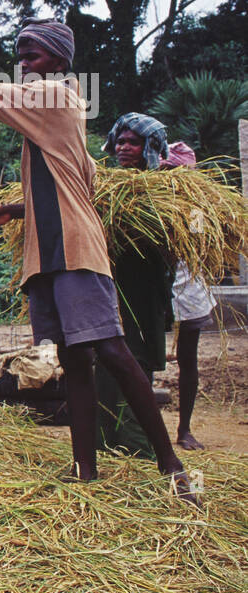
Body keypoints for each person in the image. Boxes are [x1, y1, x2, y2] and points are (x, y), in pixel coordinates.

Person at [0, 19, 195, 501]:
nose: (24, 63)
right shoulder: (47, 121)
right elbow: (73, 187)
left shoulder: (57, 95)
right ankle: (84, 470)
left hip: (76, 251)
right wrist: (12, 209)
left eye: (34, 54)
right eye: (20, 54)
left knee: (113, 352)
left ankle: (172, 465)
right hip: (47, 254)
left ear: (61, 63)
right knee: (74, 359)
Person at [96, 113, 175, 458]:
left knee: (137, 357)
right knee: (104, 356)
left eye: (133, 142)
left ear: (150, 148)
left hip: (145, 287)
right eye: (121, 141)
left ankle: (137, 445)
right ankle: (103, 439)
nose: (124, 147)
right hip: (109, 281)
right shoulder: (103, 184)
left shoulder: (166, 189)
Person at [160, 141, 213, 450]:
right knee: (143, 355)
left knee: (188, 361)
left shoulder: (196, 207)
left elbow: (198, 246)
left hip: (187, 286)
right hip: (151, 290)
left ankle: (184, 429)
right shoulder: (144, 200)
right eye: (167, 171)